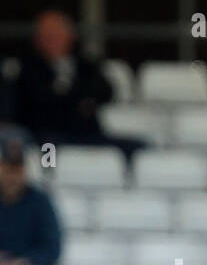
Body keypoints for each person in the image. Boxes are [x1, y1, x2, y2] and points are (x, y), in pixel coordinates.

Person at [12, 10, 144, 159]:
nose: (51, 38)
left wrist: (65, 96)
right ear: (37, 40)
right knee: (48, 155)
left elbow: (106, 91)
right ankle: (47, 181)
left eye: (56, 33)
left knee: (137, 148)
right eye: (46, 34)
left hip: (87, 135)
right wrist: (80, 100)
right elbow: (38, 101)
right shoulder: (28, 68)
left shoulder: (86, 65)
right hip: (47, 138)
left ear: (71, 35)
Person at [0, 135, 61, 265]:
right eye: (7, 169)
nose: (13, 176)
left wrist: (23, 264)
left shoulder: (40, 202)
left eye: (18, 169)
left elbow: (52, 249)